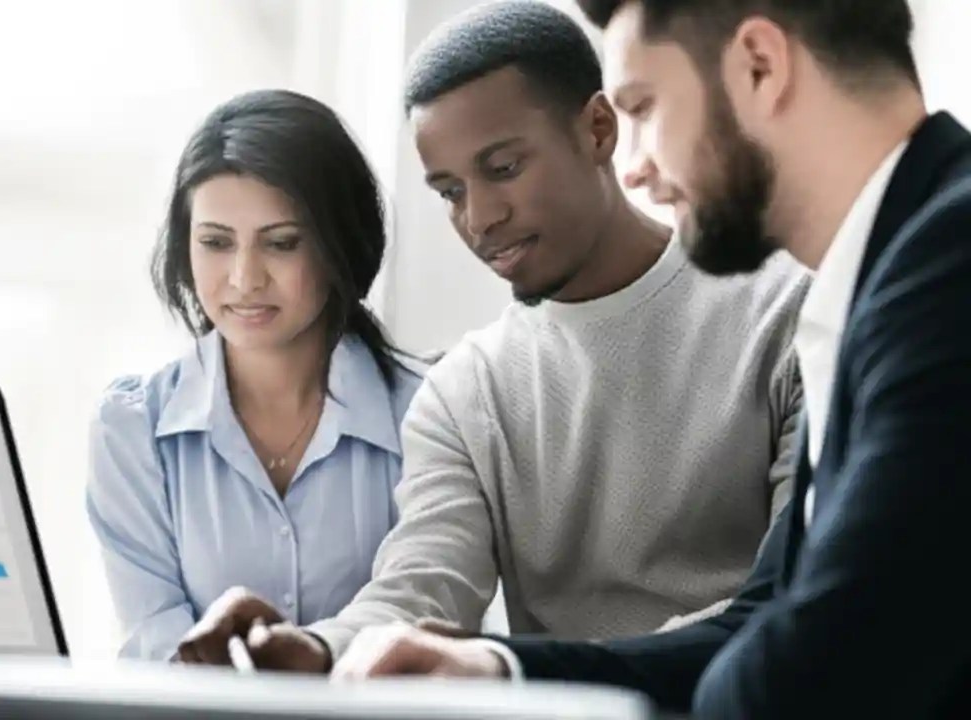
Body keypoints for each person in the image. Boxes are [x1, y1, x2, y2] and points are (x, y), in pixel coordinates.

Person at [332, 0, 971, 717]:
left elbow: (837, 660)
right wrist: (496, 668)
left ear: (760, 68)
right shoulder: (887, 280)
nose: (635, 169)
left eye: (645, 107)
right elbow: (762, 625)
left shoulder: (947, 274)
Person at [176, 0, 808, 674]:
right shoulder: (463, 392)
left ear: (598, 129)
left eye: (503, 169)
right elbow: (419, 589)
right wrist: (315, 646)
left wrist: (527, 673)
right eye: (449, 190)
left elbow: (793, 600)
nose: (480, 219)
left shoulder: (787, 314)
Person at [86, 89, 425, 661]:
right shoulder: (133, 428)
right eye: (216, 243)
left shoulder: (425, 413)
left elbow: (424, 620)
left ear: (339, 242)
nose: (244, 279)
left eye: (282, 243)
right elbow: (158, 653)